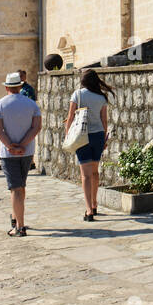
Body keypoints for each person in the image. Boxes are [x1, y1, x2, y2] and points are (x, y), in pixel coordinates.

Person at [0, 72, 42, 237]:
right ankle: (16, 217)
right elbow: (36, 127)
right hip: (27, 151)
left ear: (6, 87)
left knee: (15, 189)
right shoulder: (32, 104)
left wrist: (10, 146)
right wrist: (23, 145)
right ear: (20, 86)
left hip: (8, 153)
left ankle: (20, 227)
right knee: (21, 186)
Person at [66, 69, 112, 221]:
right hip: (98, 135)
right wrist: (104, 139)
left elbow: (70, 116)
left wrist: (68, 135)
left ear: (83, 80)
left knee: (85, 175)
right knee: (94, 172)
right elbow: (104, 120)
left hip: (82, 136)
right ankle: (94, 203)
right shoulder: (101, 97)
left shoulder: (78, 94)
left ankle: (88, 210)